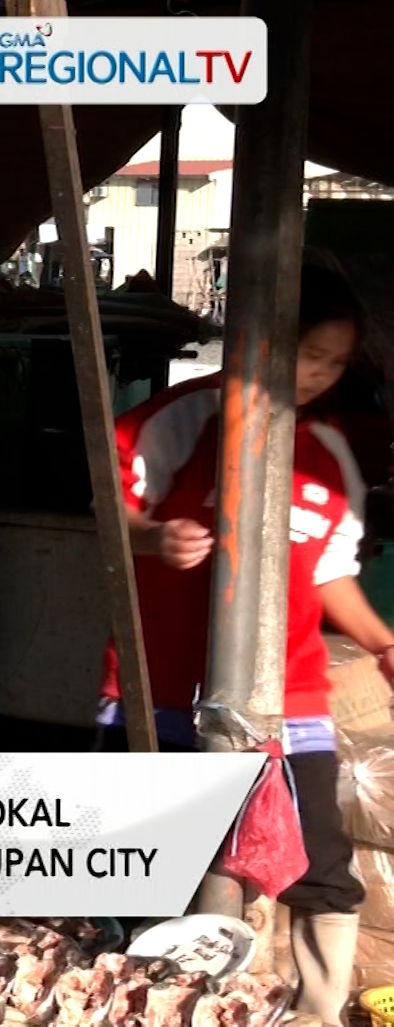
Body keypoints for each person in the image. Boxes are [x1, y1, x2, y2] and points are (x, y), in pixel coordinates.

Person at [95, 265, 392, 1024]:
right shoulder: (181, 418)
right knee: (153, 863)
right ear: (256, 343)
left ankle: (318, 1011)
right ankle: (140, 1000)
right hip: (162, 691)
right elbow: (109, 511)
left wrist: (384, 643)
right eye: (309, 356)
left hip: (291, 702)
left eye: (334, 363)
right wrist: (154, 536)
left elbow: (329, 575)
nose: (319, 376)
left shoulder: (326, 455)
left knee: (321, 868)